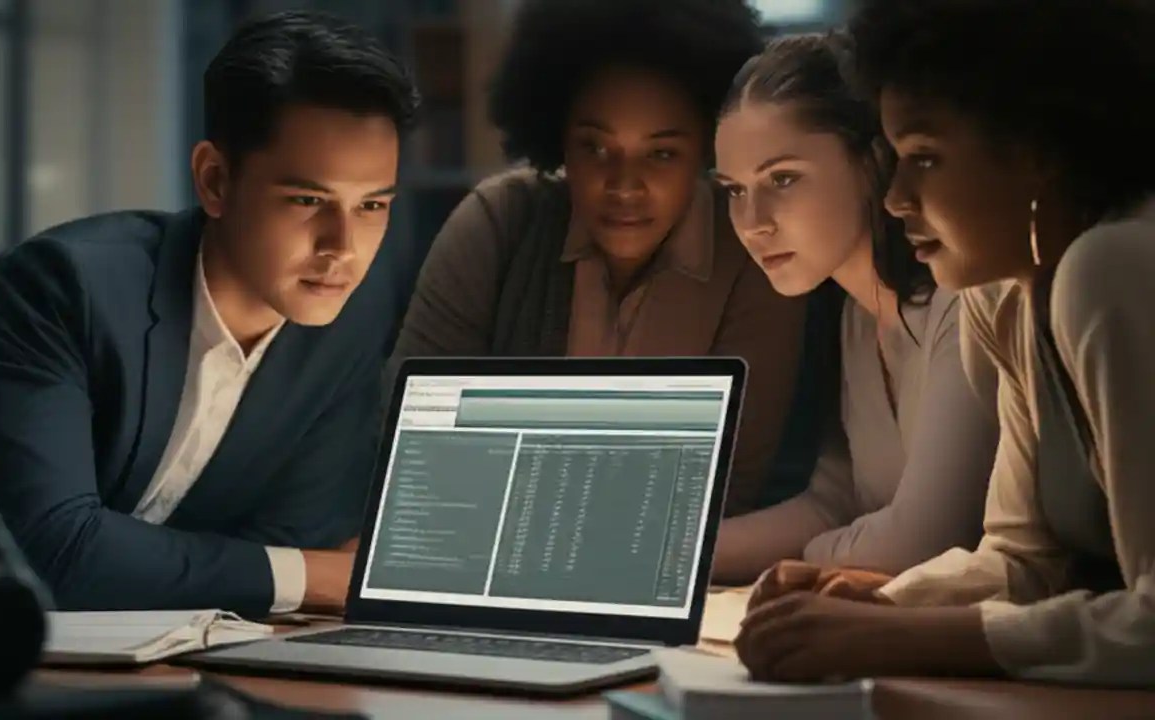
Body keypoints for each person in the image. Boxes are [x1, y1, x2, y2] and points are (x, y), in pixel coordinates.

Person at [735, 0, 1155, 686]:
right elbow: (1024, 561)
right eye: (895, 159)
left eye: (924, 158)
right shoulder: (1008, 292)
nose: (896, 198)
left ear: (1039, 149)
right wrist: (878, 600)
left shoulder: (1111, 269)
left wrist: (893, 639)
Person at [0, 11, 421, 615]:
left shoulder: (349, 316)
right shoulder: (66, 286)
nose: (342, 247)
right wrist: (314, 577)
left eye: (371, 205)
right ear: (215, 181)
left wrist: (296, 569)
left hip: (190, 663)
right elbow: (51, 549)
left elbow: (291, 540)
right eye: (308, 200)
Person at [390, 0, 806, 516]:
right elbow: (410, 449)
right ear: (557, 139)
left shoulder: (751, 248)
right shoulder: (499, 225)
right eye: (595, 148)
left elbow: (730, 485)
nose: (625, 186)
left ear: (708, 147)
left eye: (661, 153)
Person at [709, 33, 997, 585]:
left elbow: (923, 540)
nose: (754, 222)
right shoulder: (855, 319)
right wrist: (664, 557)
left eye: (782, 179)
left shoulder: (960, 306)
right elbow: (833, 502)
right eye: (734, 191)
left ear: (871, 161)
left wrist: (804, 564)